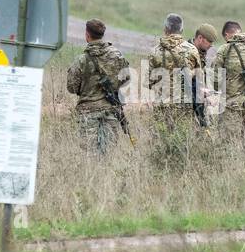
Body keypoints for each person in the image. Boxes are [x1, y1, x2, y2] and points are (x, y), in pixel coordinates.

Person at [65, 18, 130, 154]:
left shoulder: (81, 60)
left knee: (89, 154)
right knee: (110, 154)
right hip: (111, 109)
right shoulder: (117, 55)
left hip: (88, 112)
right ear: (102, 35)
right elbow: (126, 78)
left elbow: (71, 87)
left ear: (87, 35)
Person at [146, 13, 201, 131]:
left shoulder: (154, 52)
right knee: (182, 141)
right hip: (184, 106)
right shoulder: (192, 50)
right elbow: (198, 77)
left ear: (165, 29)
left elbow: (149, 82)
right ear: (182, 30)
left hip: (161, 105)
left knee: (161, 140)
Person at [192, 23, 218, 125]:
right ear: (200, 38)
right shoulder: (187, 52)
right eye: (209, 41)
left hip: (198, 102)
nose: (211, 45)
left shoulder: (202, 53)